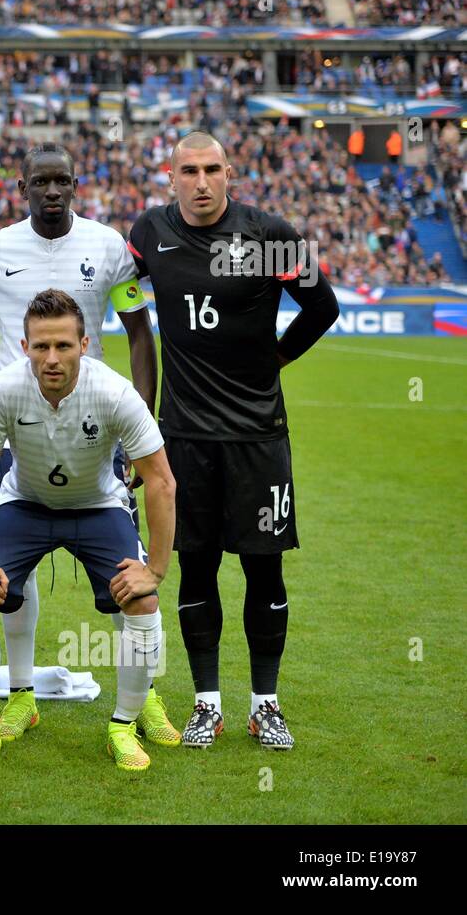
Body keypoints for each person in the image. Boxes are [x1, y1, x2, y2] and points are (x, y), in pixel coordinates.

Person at [127, 131, 339, 749]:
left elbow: (321, 307)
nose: (200, 182)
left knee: (263, 569)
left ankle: (266, 704)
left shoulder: (271, 236)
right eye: (188, 170)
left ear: (230, 174)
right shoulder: (150, 233)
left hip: (256, 434)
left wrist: (274, 359)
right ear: (171, 177)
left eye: (212, 169)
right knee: (195, 568)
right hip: (185, 438)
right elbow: (122, 292)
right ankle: (207, 703)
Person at [0, 141, 160, 740]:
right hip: (11, 425)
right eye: (39, 182)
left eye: (61, 181)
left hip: (95, 428)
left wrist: (142, 423)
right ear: (22, 188)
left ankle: (142, 700)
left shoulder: (107, 247)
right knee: (3, 580)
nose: (51, 191)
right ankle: (19, 695)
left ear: (76, 184)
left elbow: (140, 334)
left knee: (134, 576)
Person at [0, 290, 177, 772]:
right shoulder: (4, 388)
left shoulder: (114, 391)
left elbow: (160, 480)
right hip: (26, 504)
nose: (51, 358)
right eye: (40, 347)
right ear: (23, 345)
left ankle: (125, 722)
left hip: (97, 507)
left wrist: (155, 569)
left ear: (85, 344)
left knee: (140, 600)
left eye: (63, 346)